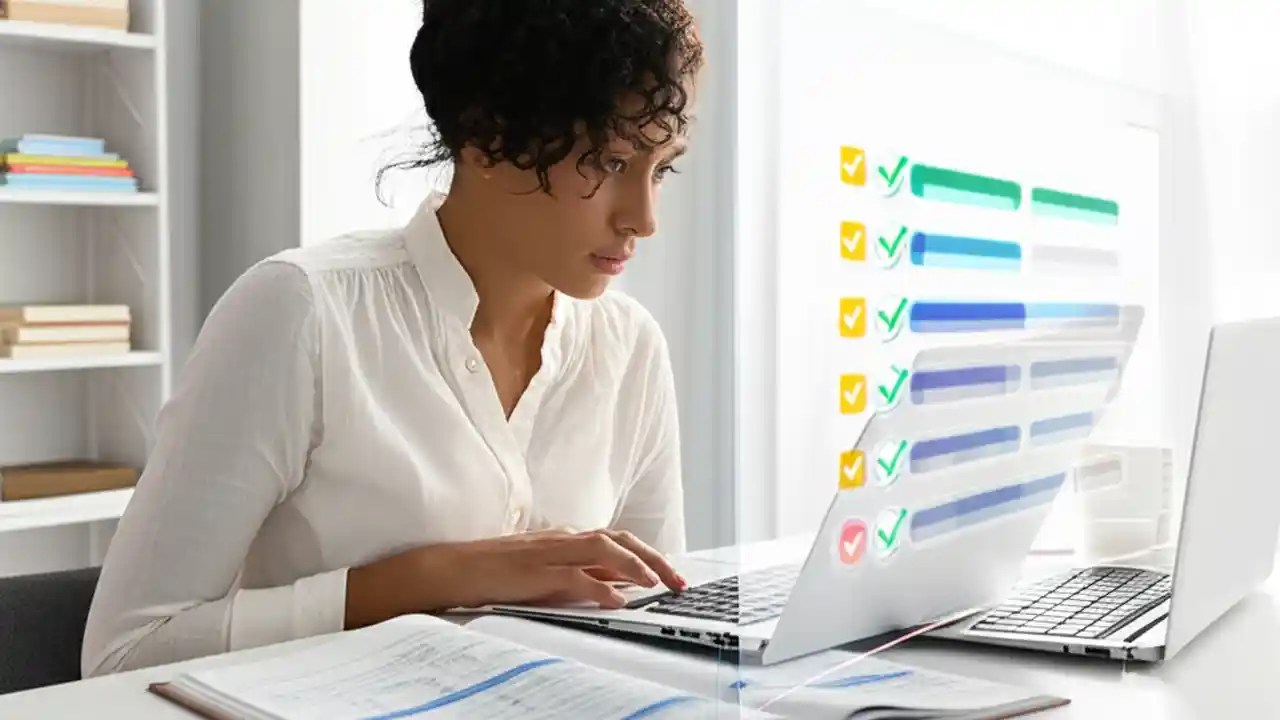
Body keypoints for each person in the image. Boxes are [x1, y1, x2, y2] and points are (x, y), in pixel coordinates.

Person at [82, 0, 704, 676]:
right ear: (486, 137)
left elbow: (659, 623)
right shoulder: (302, 313)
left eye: (661, 168)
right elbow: (125, 652)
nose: (645, 219)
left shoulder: (629, 347)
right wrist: (436, 577)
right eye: (611, 163)